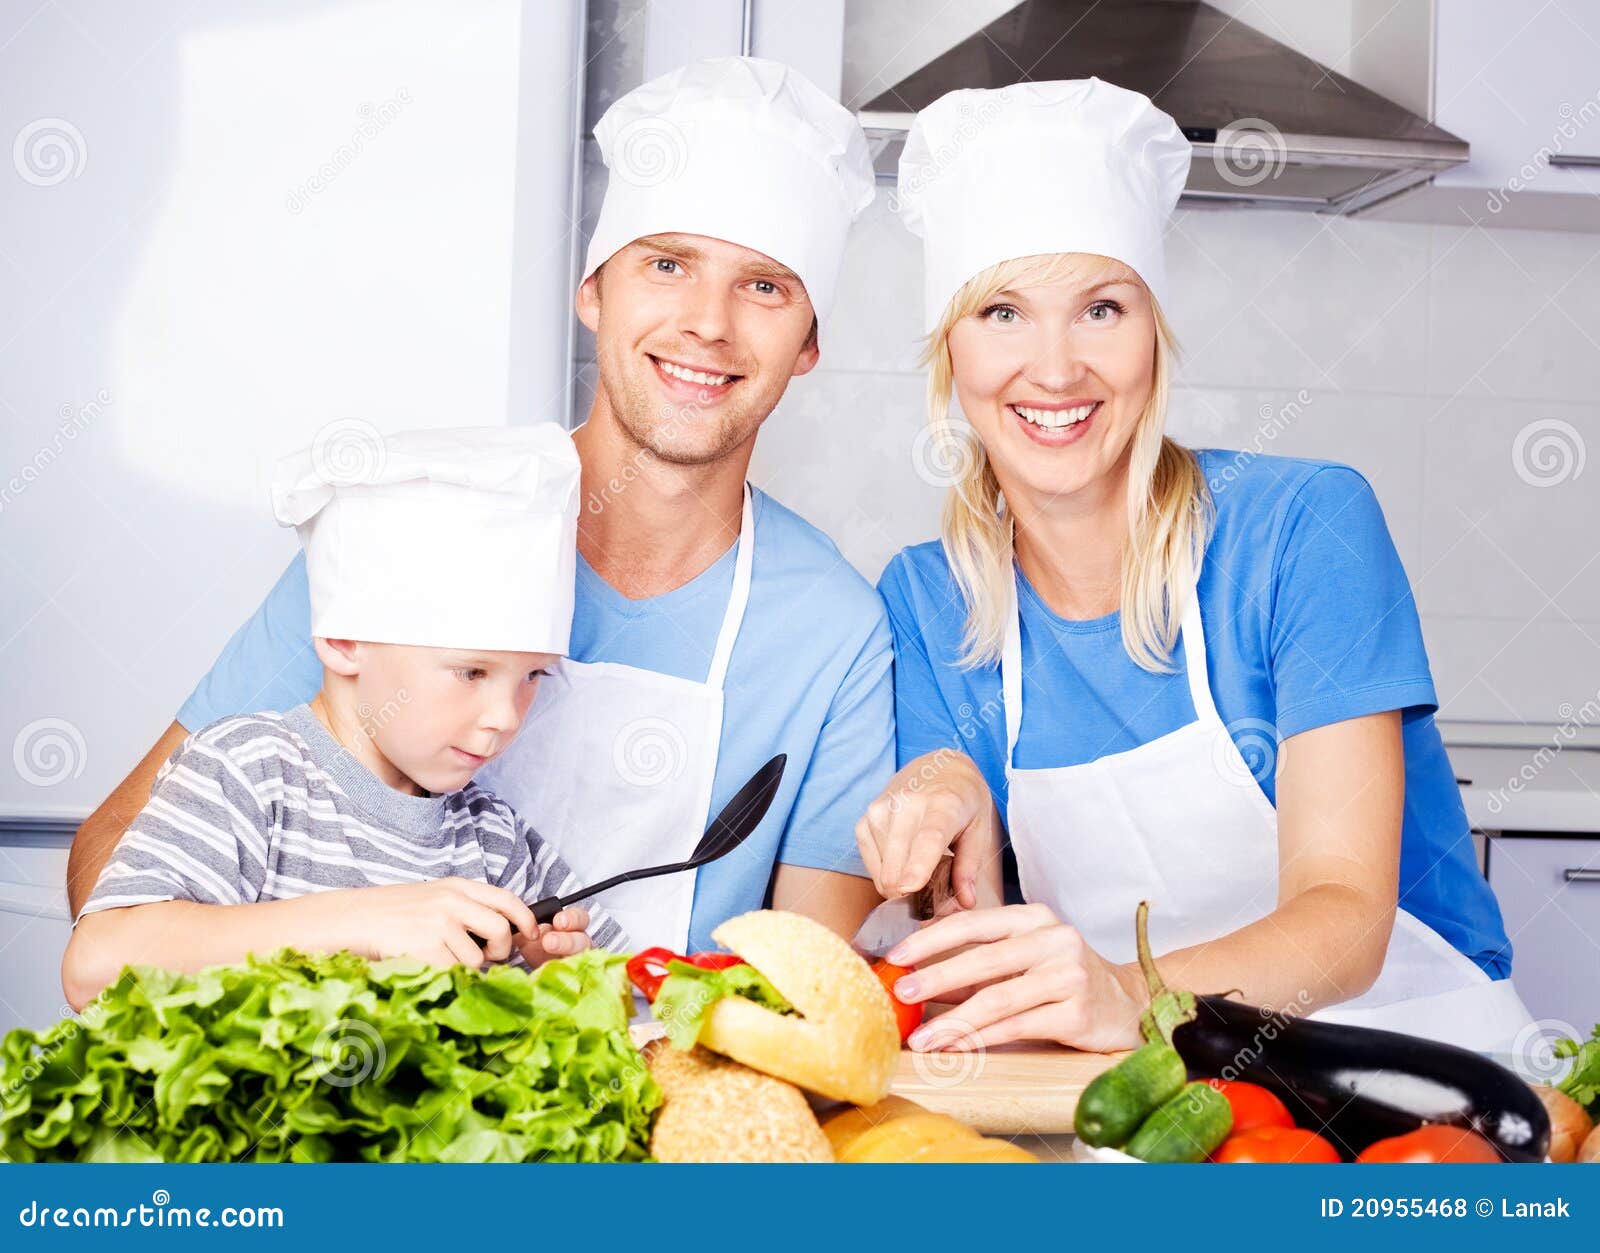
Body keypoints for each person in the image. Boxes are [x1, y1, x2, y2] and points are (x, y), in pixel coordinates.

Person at [66, 57, 892, 954]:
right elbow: (112, 872)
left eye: (764, 285)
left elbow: (805, 987)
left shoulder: (834, 633)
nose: (708, 323)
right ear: (592, 291)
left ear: (809, 342)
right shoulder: (408, 526)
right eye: (667, 263)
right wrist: (358, 942)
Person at [854, 79, 1535, 1056]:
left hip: (1411, 1064)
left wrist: (1122, 994)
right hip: (1141, 1094)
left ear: (1154, 334)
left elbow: (1344, 918)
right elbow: (953, 819)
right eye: (1001, 312)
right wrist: (933, 791)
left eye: (1100, 307)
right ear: (949, 351)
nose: (1054, 370)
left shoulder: (1301, 528)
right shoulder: (925, 598)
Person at [62, 426, 616, 1010]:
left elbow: (635, 999)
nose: (505, 717)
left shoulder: (494, 839)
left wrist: (560, 976)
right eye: (471, 673)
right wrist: (362, 920)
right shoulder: (248, 770)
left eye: (533, 677)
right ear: (345, 640)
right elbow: (97, 967)